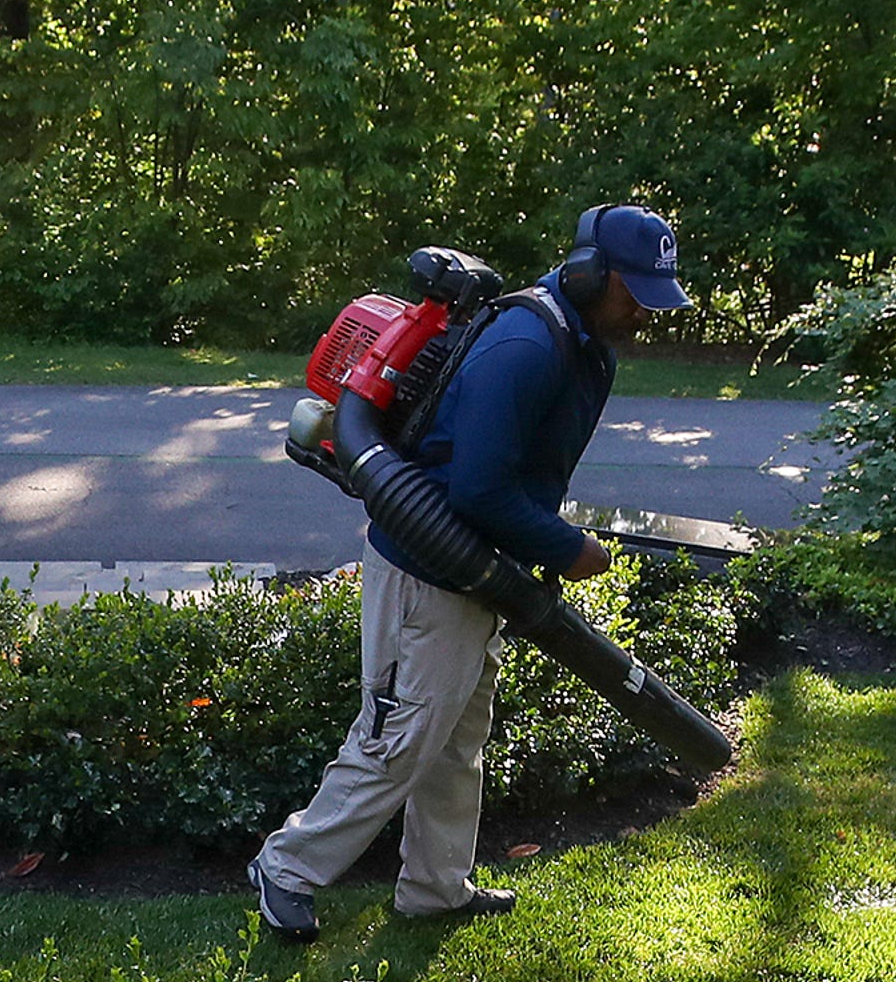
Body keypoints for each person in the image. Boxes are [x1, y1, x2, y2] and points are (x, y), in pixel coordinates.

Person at [249, 203, 689, 941]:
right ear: (588, 272)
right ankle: (287, 868)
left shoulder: (587, 346)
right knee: (400, 735)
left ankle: (435, 886)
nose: (645, 310)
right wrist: (566, 548)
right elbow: (477, 490)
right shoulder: (525, 345)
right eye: (633, 291)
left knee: (458, 738)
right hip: (427, 570)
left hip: (478, 570)